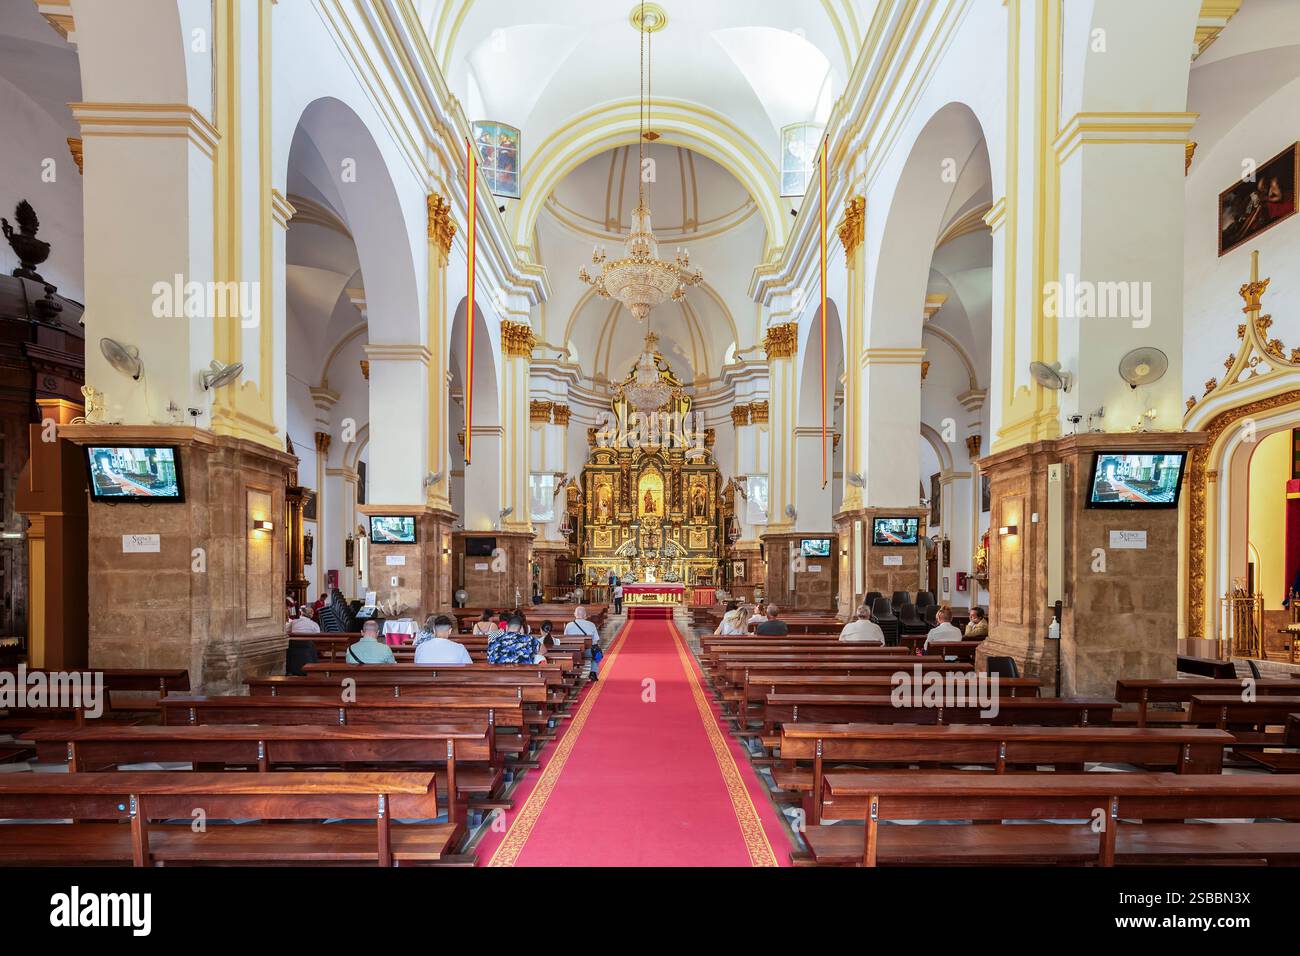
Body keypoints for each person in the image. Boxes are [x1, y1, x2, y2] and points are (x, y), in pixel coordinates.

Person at [564, 606, 602, 682]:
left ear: (575, 614)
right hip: (587, 652)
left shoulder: (569, 625)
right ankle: (593, 672)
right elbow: (595, 641)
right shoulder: (591, 625)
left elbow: (565, 640)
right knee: (598, 653)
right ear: (585, 615)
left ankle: (569, 672)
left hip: (573, 652)